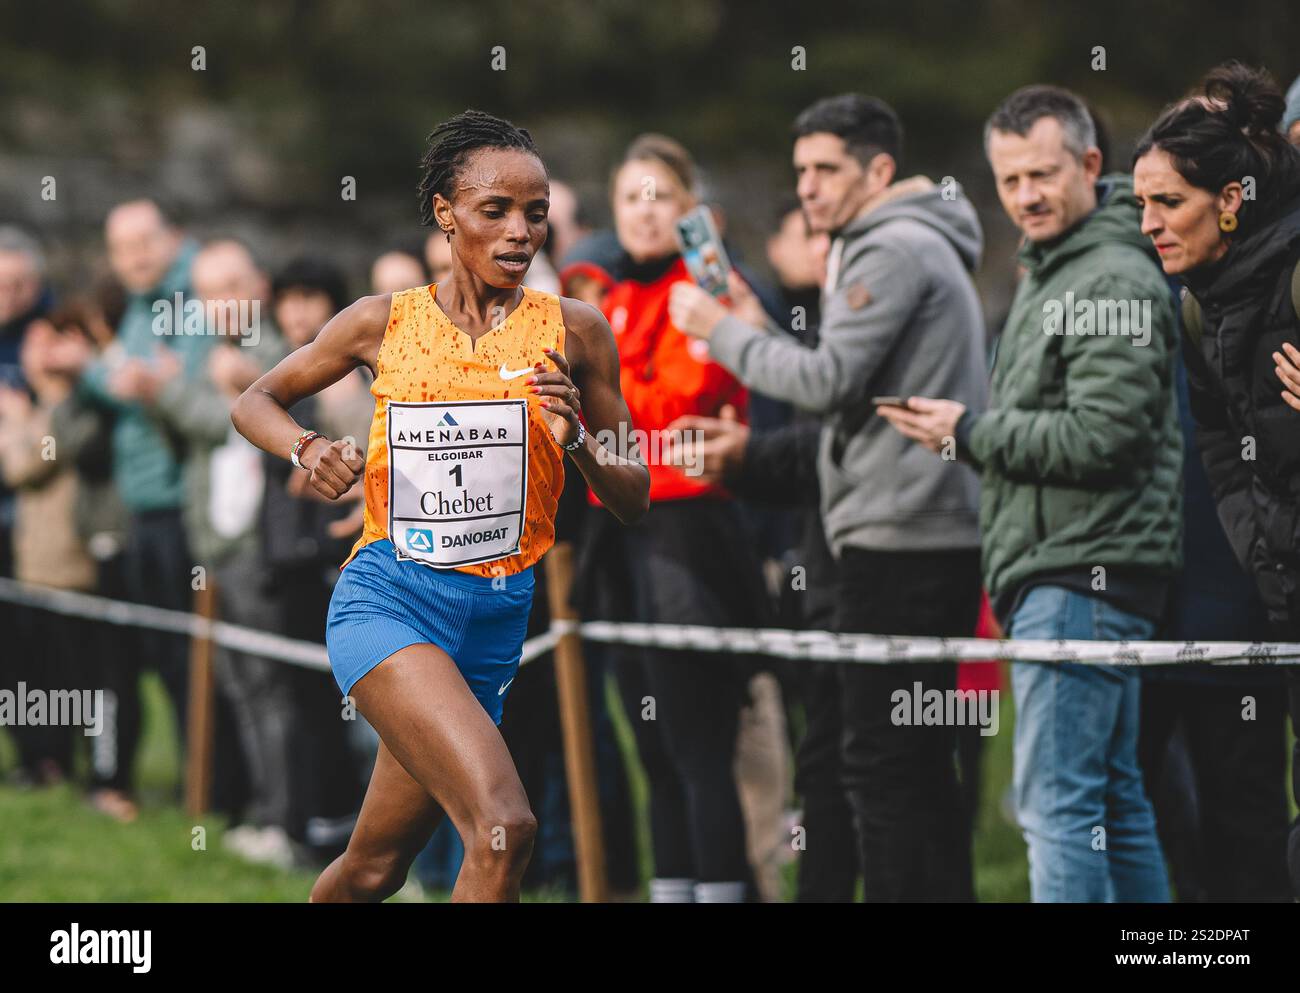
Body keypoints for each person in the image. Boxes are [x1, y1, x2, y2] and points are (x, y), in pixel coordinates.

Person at [232, 110, 649, 903]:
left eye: (536, 213)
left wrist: (582, 441)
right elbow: (257, 398)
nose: (521, 231)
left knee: (373, 869)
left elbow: (636, 496)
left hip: (494, 623)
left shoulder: (578, 332)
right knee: (505, 826)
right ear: (445, 214)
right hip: (389, 599)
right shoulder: (381, 322)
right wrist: (310, 450)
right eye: (496, 211)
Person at [672, 93, 988, 902]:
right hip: (913, 529)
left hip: (902, 538)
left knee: (881, 766)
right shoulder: (898, 242)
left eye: (825, 169)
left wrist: (719, 329)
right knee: (913, 766)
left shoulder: (892, 249)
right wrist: (756, 326)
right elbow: (849, 385)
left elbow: (823, 383)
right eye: (800, 170)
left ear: (879, 169)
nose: (808, 187)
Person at [881, 84, 1182, 902]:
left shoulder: (1110, 275)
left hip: (1080, 571)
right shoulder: (1061, 268)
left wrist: (967, 432)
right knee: (1110, 801)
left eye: (1043, 175)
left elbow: (1106, 439)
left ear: (1091, 164)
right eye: (1010, 180)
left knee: (1058, 806)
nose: (1026, 196)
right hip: (1080, 569)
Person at [576, 133, 772, 903]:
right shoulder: (611, 297)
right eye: (631, 197)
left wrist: (601, 401)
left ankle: (726, 888)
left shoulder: (710, 288)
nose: (644, 213)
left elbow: (682, 404)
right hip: (616, 532)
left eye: (661, 196)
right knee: (650, 744)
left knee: (698, 747)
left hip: (689, 532)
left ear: (692, 210)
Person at [1132, 61, 1300, 897]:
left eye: (1169, 203)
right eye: (1141, 206)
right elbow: (1215, 436)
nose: (1150, 225)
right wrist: (1258, 541)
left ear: (1230, 198)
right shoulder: (1202, 305)